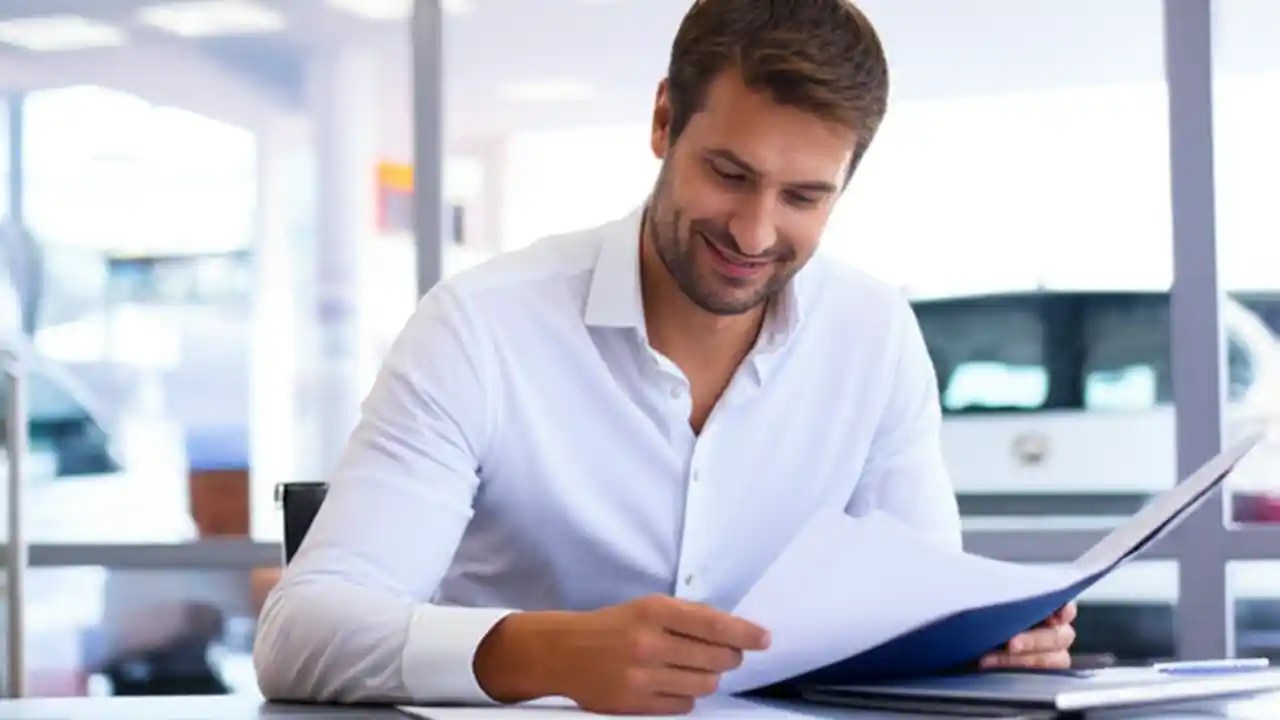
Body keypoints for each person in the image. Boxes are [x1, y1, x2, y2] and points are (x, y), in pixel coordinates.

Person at [254, 0, 1077, 714]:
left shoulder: (876, 336)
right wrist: (551, 652)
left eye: (802, 196)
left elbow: (915, 604)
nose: (753, 232)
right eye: (728, 173)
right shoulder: (480, 328)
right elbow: (300, 635)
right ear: (662, 122)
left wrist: (978, 642)